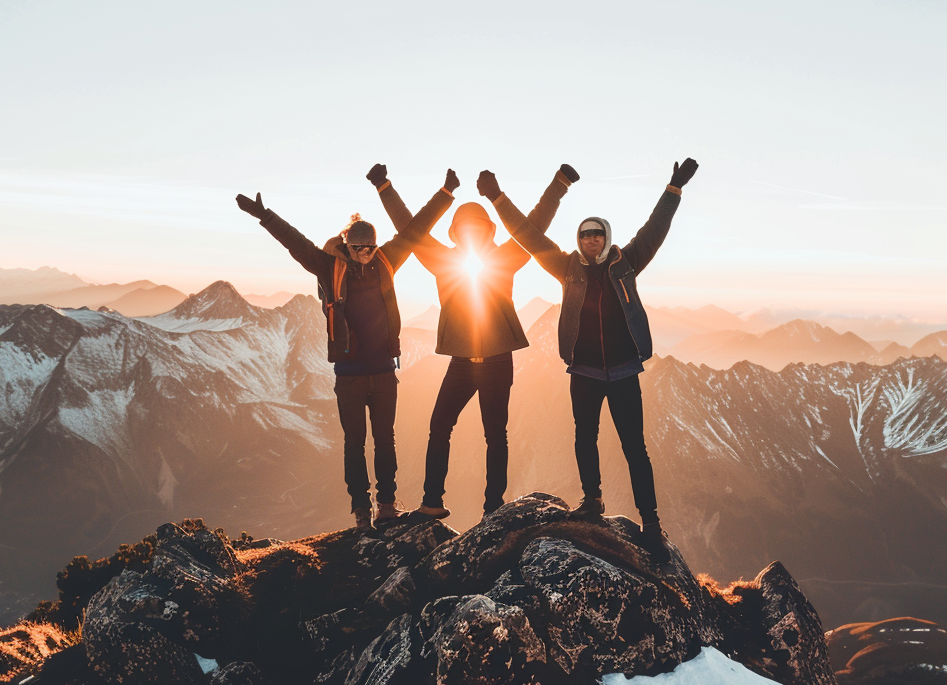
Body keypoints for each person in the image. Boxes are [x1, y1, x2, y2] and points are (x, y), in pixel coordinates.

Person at [476, 159, 699, 562]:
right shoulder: (567, 268)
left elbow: (655, 230)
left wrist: (673, 189)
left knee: (635, 447)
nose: (591, 240)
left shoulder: (626, 262)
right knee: (585, 438)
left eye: (597, 235)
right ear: (578, 240)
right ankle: (592, 501)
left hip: (625, 371)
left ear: (606, 238)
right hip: (584, 372)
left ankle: (650, 522)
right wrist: (496, 197)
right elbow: (528, 235)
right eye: (585, 235)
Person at [235, 171, 459, 528]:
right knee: (355, 444)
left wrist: (446, 193)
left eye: (370, 247)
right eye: (358, 248)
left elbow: (416, 228)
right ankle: (361, 511)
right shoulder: (329, 267)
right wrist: (265, 216)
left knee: (385, 442)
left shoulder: (387, 259)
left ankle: (386, 505)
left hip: (384, 372)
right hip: (351, 376)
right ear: (347, 245)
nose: (366, 254)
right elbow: (297, 243)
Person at [366, 163, 579, 519]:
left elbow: (534, 226)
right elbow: (409, 228)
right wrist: (384, 187)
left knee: (495, 435)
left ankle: (492, 509)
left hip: (496, 361)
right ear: (455, 233)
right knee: (441, 427)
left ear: (487, 231)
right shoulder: (447, 260)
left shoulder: (501, 258)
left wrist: (559, 185)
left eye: (476, 228)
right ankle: (432, 503)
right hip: (462, 363)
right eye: (464, 229)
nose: (470, 233)